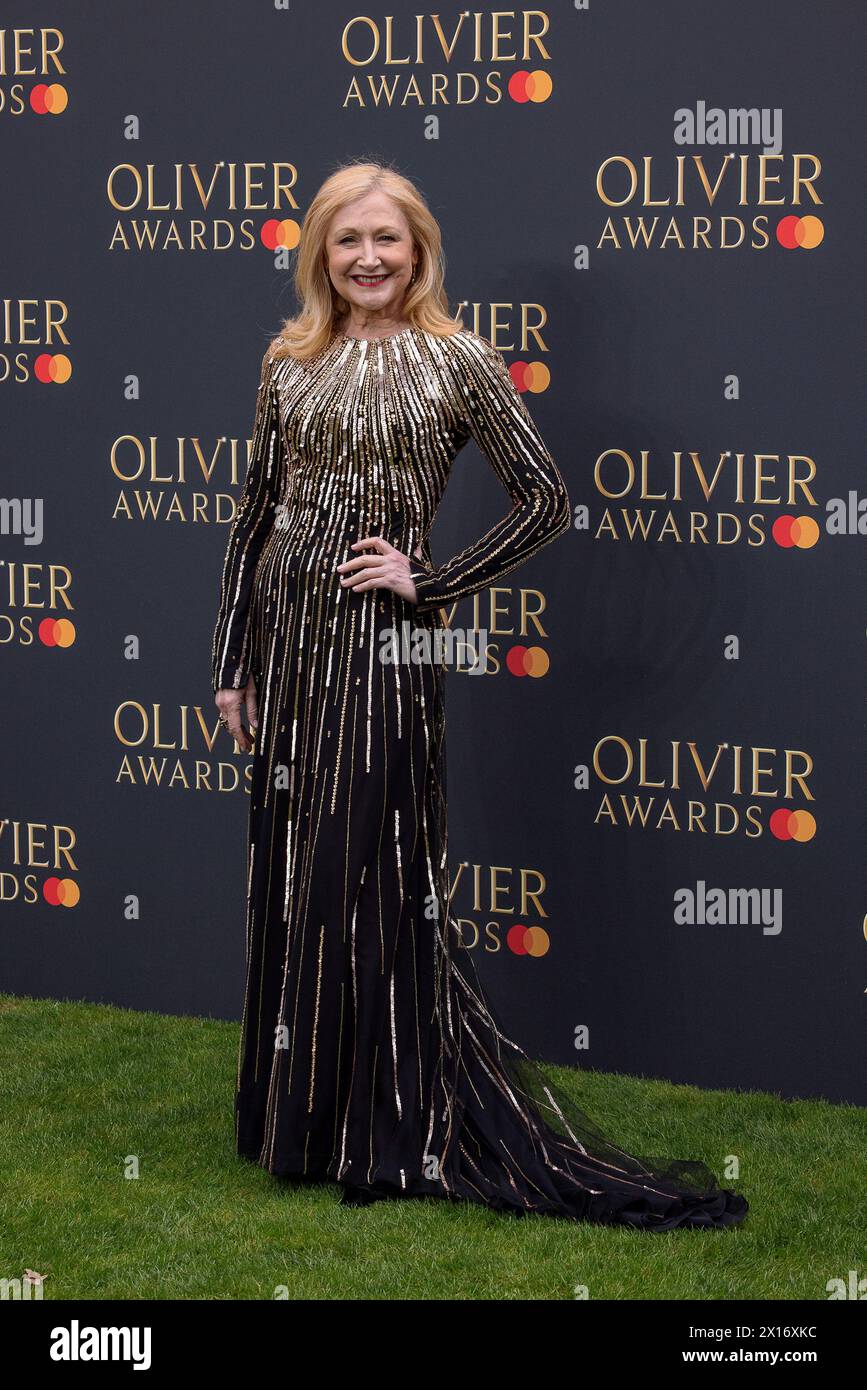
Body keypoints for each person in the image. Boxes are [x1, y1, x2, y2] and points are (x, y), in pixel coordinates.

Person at [211, 160, 748, 1230]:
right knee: (295, 881)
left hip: (382, 652)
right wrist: (235, 663)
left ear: (420, 251)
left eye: (388, 240)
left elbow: (546, 498)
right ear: (320, 250)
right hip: (289, 646)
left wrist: (432, 579)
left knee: (368, 879)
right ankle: (297, 1120)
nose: (368, 258)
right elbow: (254, 516)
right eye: (348, 239)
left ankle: (390, 1127)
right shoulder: (288, 360)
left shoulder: (457, 361)